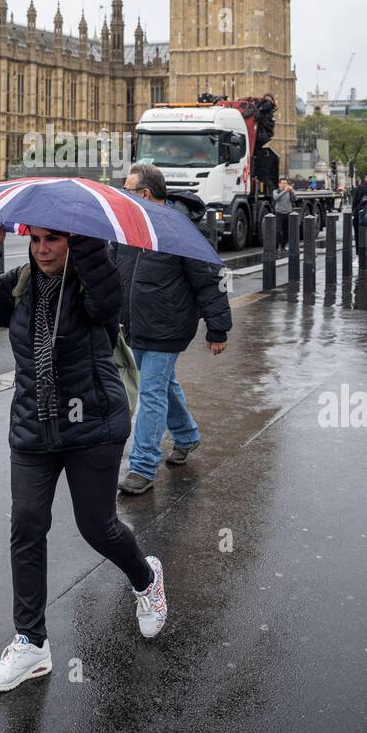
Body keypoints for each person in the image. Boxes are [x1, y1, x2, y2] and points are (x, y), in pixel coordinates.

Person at [0, 223, 167, 692]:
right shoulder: (19, 284)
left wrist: (85, 240)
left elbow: (108, 305)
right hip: (33, 426)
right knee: (26, 525)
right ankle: (31, 643)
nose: (44, 249)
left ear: (74, 242)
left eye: (55, 239)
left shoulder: (92, 284)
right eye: (37, 239)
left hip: (93, 424)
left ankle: (146, 578)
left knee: (97, 527)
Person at [112, 163, 232, 494]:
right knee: (162, 385)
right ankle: (187, 435)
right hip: (135, 323)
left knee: (150, 391)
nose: (124, 195)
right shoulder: (130, 226)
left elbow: (209, 280)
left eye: (128, 190)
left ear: (145, 194)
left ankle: (142, 467)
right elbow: (113, 271)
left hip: (168, 325)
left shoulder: (181, 229)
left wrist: (217, 328)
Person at [273, 177, 294, 251]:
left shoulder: (289, 192)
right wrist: (284, 191)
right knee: (278, 231)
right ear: (279, 184)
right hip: (279, 213)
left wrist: (292, 192)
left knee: (286, 231)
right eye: (283, 183)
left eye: (286, 183)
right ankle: (275, 247)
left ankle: (283, 247)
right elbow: (275, 198)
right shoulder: (276, 191)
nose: (284, 185)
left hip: (288, 213)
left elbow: (295, 199)